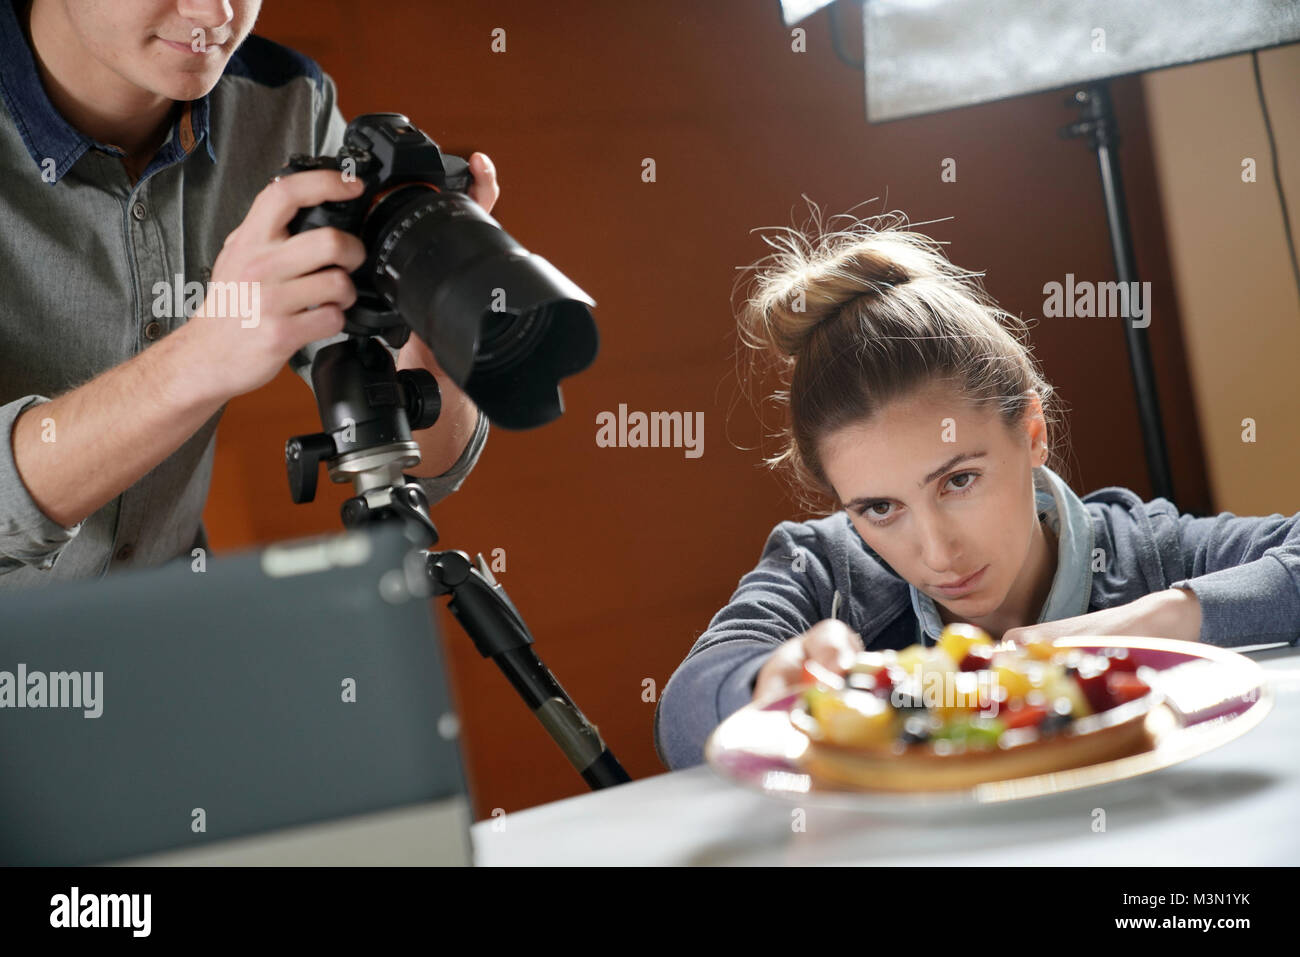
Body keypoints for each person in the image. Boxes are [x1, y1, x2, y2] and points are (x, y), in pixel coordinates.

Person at [654, 211, 1300, 770]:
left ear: (1033, 432)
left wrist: (1154, 623)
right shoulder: (823, 570)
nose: (938, 552)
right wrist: (771, 681)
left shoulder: (1152, 555)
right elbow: (682, 715)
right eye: (880, 508)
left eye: (959, 480)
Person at [0, 0, 497, 588]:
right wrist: (202, 357)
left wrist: (435, 318)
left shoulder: (287, 101)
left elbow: (422, 462)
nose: (213, 12)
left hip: (170, 636)